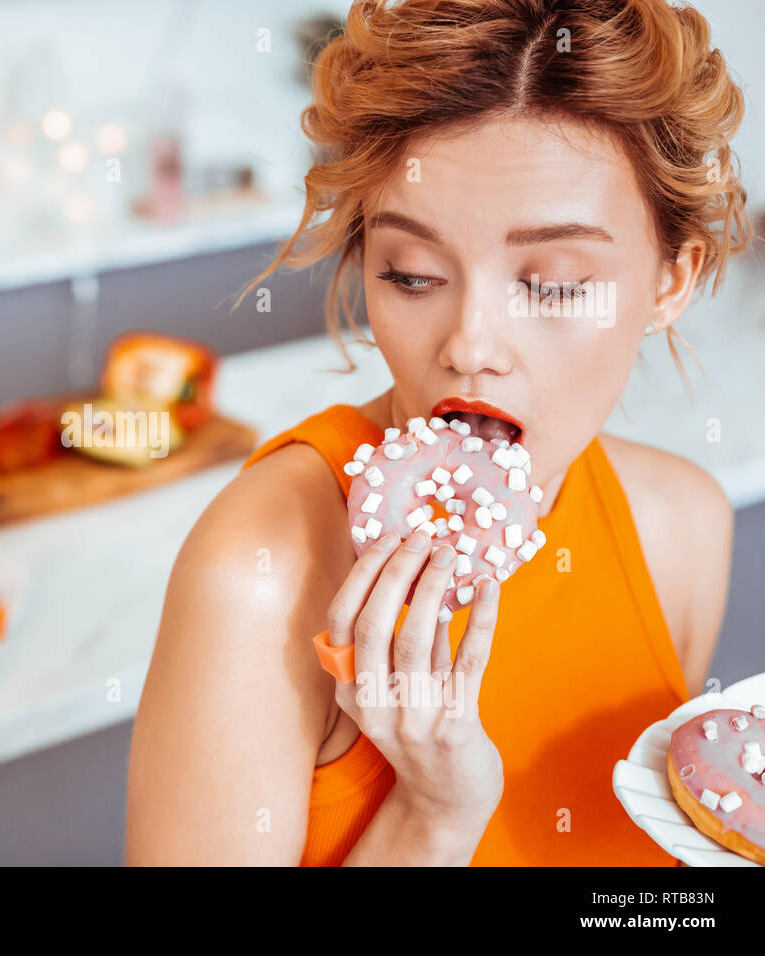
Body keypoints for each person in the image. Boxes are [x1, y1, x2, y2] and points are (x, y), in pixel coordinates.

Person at [127, 0, 746, 865]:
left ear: (671, 282)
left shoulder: (681, 525)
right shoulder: (261, 575)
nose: (469, 346)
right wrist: (434, 817)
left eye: (556, 282)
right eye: (412, 275)